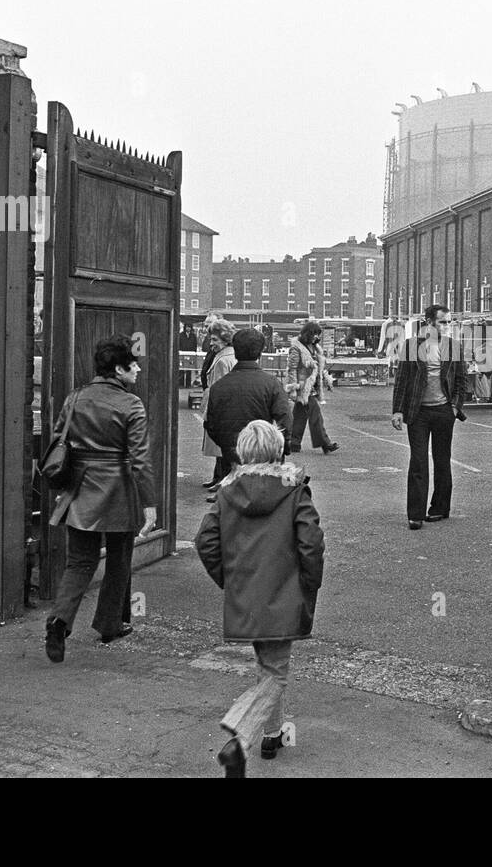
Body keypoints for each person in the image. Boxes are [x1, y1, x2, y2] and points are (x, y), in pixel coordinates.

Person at [195, 420, 326, 778]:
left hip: (245, 592)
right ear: (277, 449)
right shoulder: (294, 490)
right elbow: (310, 543)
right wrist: (309, 583)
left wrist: (229, 579)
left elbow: (204, 541)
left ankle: (272, 733)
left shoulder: (226, 492)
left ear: (242, 451)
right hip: (284, 591)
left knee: (267, 664)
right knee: (276, 673)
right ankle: (240, 739)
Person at [44, 335, 157, 663]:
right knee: (120, 559)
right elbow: (140, 459)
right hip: (119, 489)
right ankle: (110, 624)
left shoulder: (76, 397)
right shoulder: (131, 404)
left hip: (80, 489)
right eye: (133, 365)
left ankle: (58, 621)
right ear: (120, 369)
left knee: (80, 561)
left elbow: (58, 439)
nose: (137, 370)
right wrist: (150, 506)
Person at [390, 305, 467, 530]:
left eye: (449, 322)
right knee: (418, 461)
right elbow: (402, 380)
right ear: (429, 322)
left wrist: (455, 408)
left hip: (444, 411)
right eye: (443, 322)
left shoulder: (453, 346)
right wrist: (397, 410)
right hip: (419, 412)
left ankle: (440, 508)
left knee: (442, 461)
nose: (447, 326)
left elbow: (462, 380)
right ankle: (416, 514)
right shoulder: (412, 345)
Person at [204, 328, 292, 500]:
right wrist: (282, 447)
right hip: (262, 453)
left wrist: (227, 447)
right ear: (260, 352)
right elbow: (284, 418)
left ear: (235, 350)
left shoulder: (218, 387)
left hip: (232, 454)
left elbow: (210, 424)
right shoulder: (271, 384)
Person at [286, 321, 339, 455]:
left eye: (318, 334)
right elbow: (291, 369)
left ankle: (294, 443)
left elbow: (319, 367)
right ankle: (325, 442)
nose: (317, 337)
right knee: (315, 414)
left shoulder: (314, 347)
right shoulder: (296, 347)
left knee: (300, 415)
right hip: (302, 386)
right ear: (308, 333)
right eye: (314, 334)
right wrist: (293, 389)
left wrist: (326, 379)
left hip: (311, 385)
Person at [201, 322, 237, 491]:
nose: (211, 343)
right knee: (220, 448)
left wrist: (211, 414)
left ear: (224, 340)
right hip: (226, 409)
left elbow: (220, 391)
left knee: (221, 445)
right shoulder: (226, 355)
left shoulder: (223, 360)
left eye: (214, 339)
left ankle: (221, 481)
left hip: (220, 411)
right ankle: (217, 477)